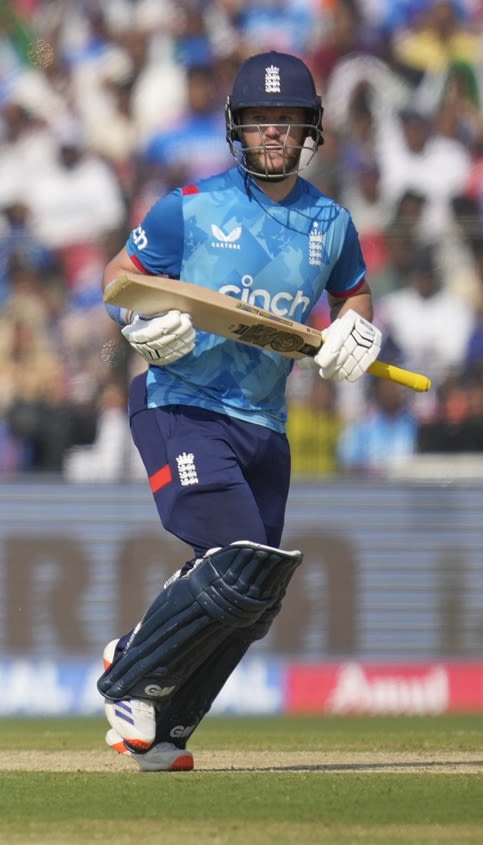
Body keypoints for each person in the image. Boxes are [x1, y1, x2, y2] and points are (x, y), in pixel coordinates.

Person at [97, 51, 384, 771]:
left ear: (311, 129)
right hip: (181, 403)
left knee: (254, 595)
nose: (274, 135)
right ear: (237, 128)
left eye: (287, 122)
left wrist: (355, 325)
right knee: (233, 562)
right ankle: (130, 677)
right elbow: (118, 279)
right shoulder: (189, 207)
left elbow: (354, 290)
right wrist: (140, 325)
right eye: (260, 121)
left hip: (265, 422)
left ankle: (165, 725)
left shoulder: (330, 222)